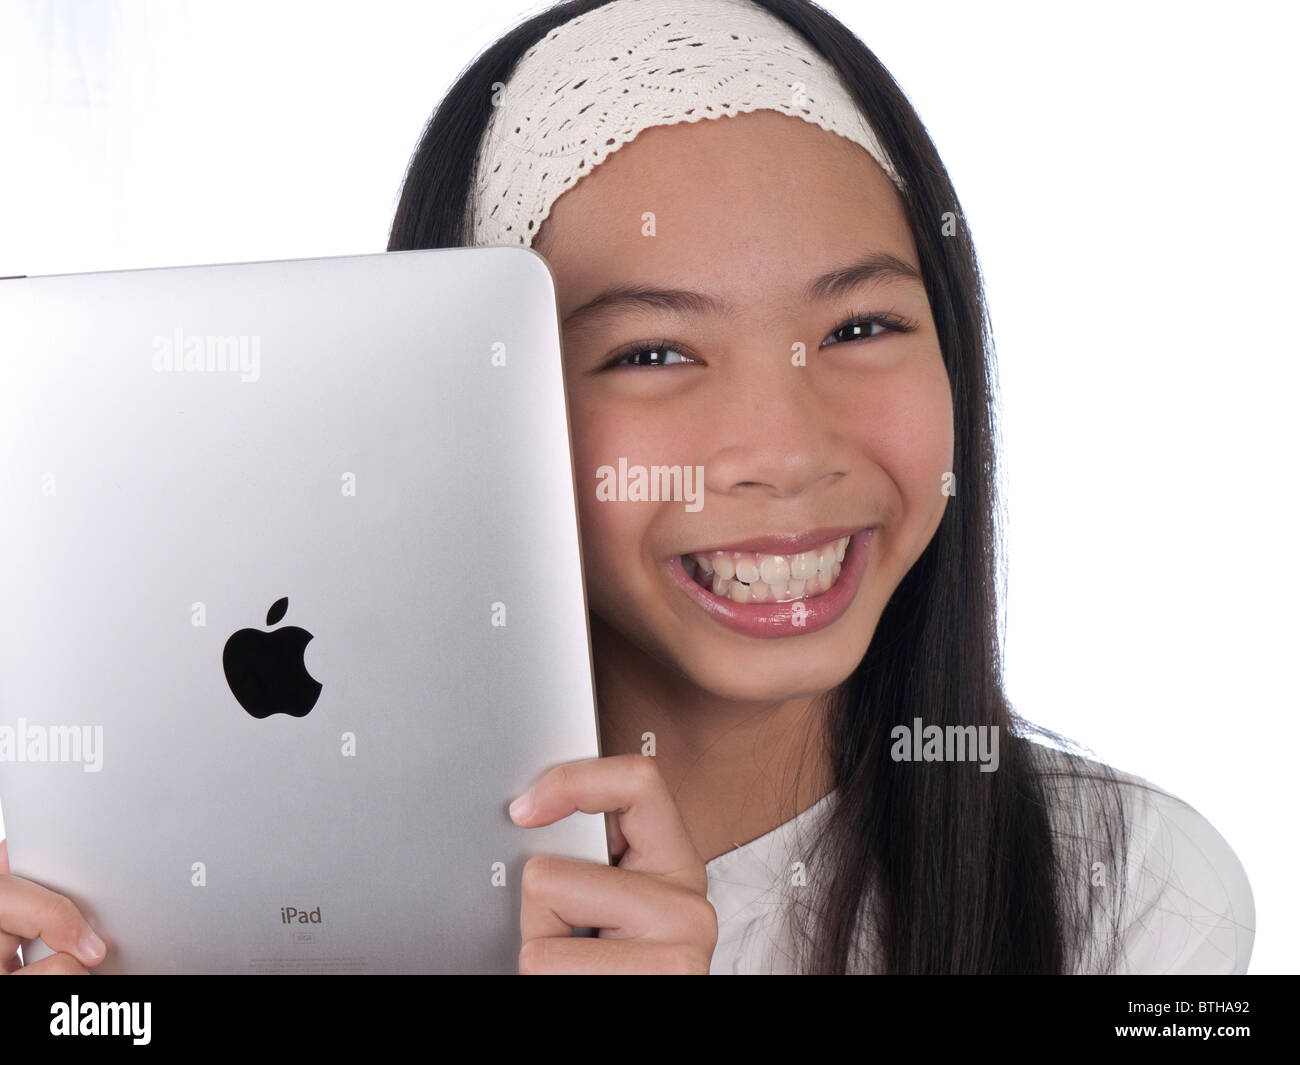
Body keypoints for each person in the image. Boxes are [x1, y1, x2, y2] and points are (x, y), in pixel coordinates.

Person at [0, 0, 1254, 975]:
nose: (782, 449)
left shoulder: (1132, 893)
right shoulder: (184, 896)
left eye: (863, 325)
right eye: (652, 351)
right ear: (470, 403)